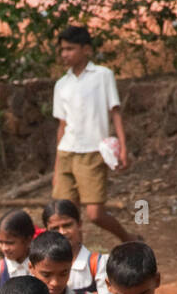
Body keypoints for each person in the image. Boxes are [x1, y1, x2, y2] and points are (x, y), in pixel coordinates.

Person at [52, 25, 133, 244]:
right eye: (62, 49)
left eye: (70, 49)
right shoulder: (61, 85)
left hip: (93, 152)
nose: (64, 54)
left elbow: (115, 112)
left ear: (86, 49)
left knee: (95, 214)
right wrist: (57, 167)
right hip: (67, 152)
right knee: (64, 216)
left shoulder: (103, 76)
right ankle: (72, 256)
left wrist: (123, 148)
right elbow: (62, 125)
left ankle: (128, 239)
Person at [42, 198, 112, 294]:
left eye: (67, 225)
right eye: (55, 228)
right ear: (46, 231)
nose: (62, 232)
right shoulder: (40, 266)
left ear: (79, 224)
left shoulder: (98, 264)